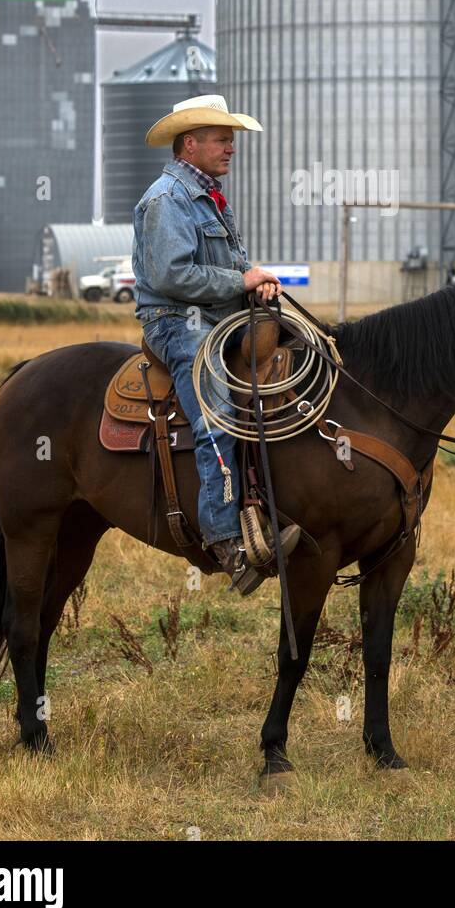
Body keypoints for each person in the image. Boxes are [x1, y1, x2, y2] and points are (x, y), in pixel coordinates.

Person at [131, 93, 300, 595]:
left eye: (231, 138)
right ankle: (228, 539)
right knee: (215, 410)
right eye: (222, 139)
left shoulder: (209, 197)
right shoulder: (166, 200)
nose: (231, 147)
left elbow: (233, 267)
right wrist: (241, 282)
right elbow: (172, 274)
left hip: (216, 315)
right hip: (175, 321)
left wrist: (255, 281)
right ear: (191, 143)